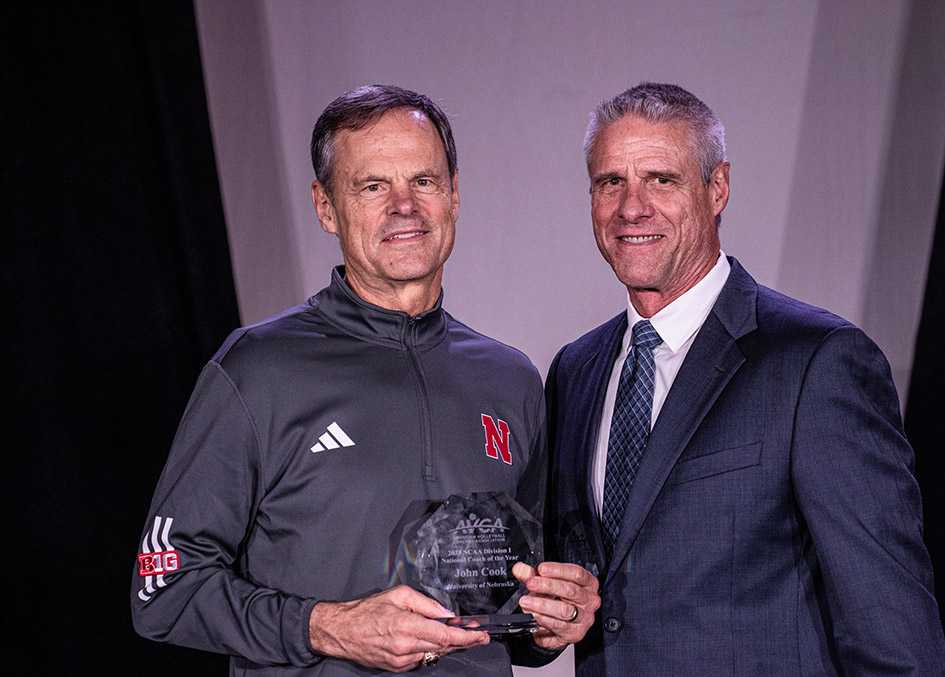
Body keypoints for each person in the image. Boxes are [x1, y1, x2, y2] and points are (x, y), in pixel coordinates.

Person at [132, 84, 599, 676]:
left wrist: (553, 621)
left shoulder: (509, 379)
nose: (404, 206)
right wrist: (327, 627)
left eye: (423, 181)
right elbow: (163, 590)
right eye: (373, 186)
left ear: (454, 194)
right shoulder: (257, 369)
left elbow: (517, 615)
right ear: (326, 207)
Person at [544, 82, 945, 675]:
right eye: (611, 182)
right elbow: (568, 591)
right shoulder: (576, 370)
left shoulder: (817, 362)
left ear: (717, 188)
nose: (632, 207)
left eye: (662, 179)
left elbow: (894, 634)